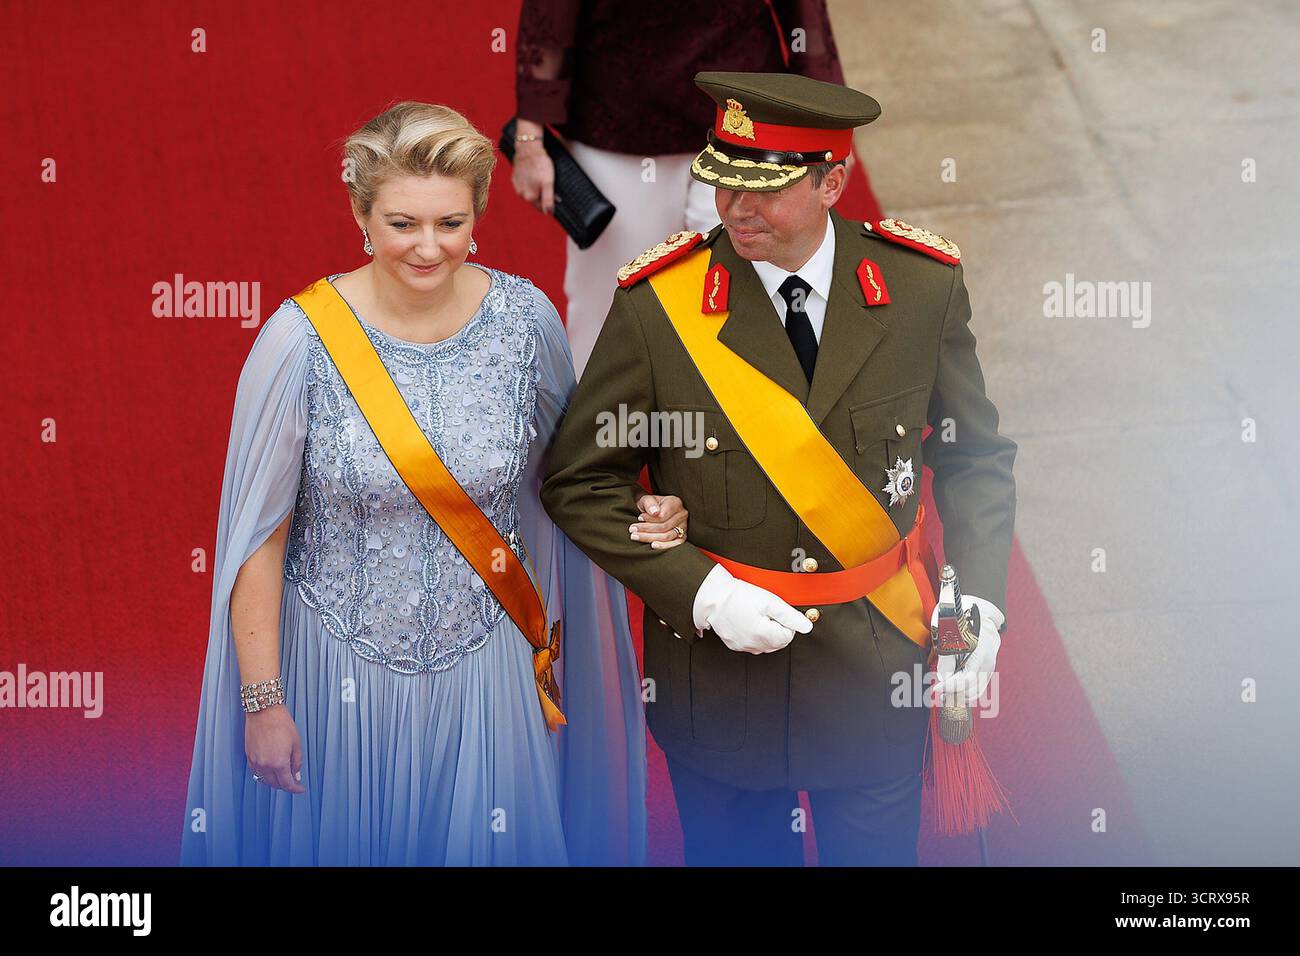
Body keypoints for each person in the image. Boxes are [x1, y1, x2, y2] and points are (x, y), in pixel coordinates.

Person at [180, 101, 690, 866]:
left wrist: (642, 504)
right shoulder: (297, 342)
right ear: (362, 214)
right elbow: (261, 538)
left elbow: (575, 471)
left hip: (490, 670)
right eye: (402, 224)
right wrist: (265, 703)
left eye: (449, 223)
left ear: (478, 214)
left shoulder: (526, 322)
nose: (428, 248)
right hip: (337, 677)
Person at [540, 72, 1017, 866]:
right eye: (723, 183)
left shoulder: (919, 288)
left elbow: (971, 455)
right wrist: (700, 590)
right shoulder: (661, 305)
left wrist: (985, 606)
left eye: (765, 189)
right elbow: (581, 481)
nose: (735, 209)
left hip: (874, 670)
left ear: (834, 181)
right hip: (721, 683)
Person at [511, 0, 870, 378]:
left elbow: (804, 10)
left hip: (745, 118)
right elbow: (550, 12)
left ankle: (756, 425)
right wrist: (529, 137)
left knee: (751, 284)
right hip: (617, 115)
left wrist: (827, 122)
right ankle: (599, 427)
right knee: (613, 296)